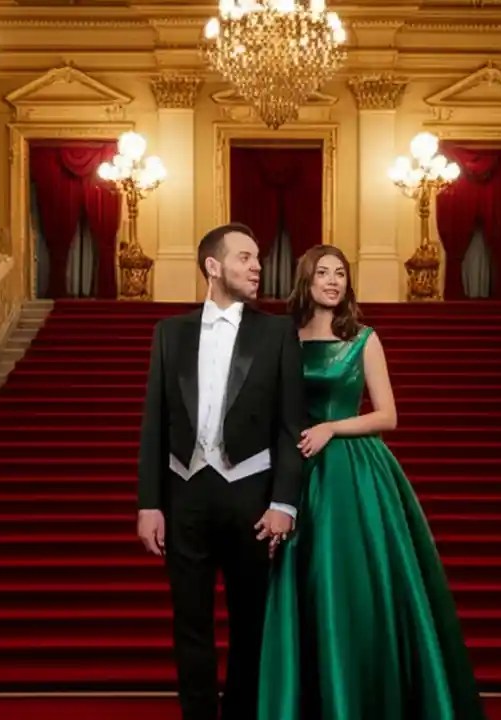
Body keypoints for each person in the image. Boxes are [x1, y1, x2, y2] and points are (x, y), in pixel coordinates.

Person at [258, 245, 486, 720]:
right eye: (322, 273)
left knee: (357, 583)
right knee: (311, 586)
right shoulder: (285, 339)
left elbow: (388, 416)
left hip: (355, 472)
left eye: (340, 273)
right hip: (302, 472)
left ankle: (367, 692)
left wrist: (331, 428)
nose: (332, 281)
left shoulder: (363, 338)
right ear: (307, 280)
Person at [136, 223, 305, 720]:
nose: (257, 266)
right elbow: (154, 422)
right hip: (185, 494)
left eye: (258, 257)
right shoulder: (170, 333)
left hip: (251, 497)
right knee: (190, 622)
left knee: (251, 623)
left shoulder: (276, 332)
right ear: (214, 266)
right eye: (245, 257)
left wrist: (283, 503)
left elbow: (291, 425)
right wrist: (150, 502)